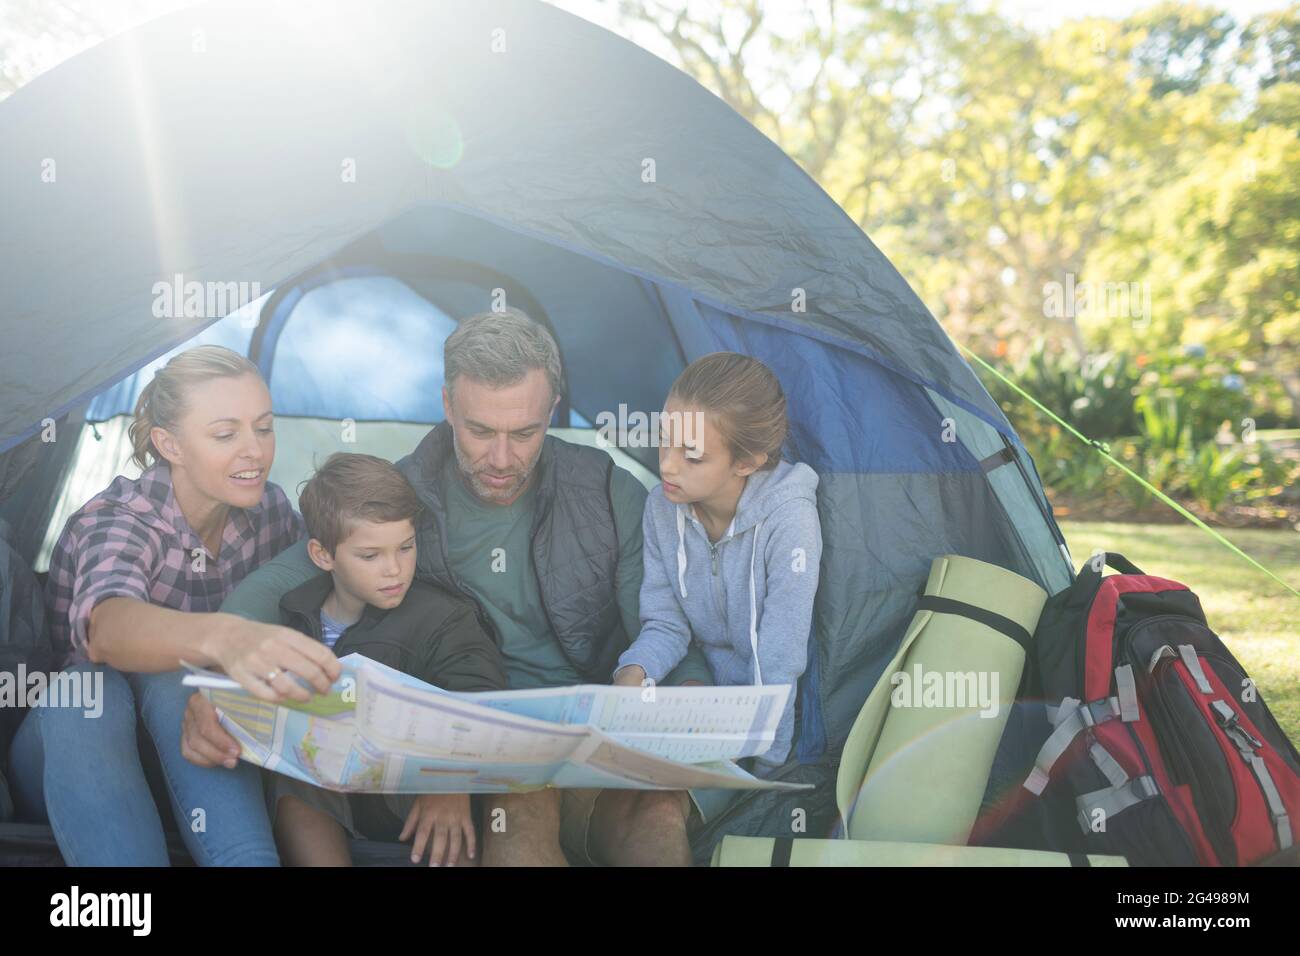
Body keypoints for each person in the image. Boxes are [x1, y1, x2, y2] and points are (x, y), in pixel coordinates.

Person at [182, 309, 712, 865]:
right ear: (447, 407)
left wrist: (689, 700)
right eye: (480, 431)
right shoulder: (402, 496)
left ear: (552, 410)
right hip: (481, 745)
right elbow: (271, 589)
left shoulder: (605, 491)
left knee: (657, 813)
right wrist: (214, 678)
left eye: (525, 432)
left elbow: (663, 630)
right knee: (524, 809)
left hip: (591, 742)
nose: (503, 459)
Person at [7, 345, 340, 866]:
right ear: (170, 444)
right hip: (75, 759)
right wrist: (225, 637)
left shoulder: (272, 515)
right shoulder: (119, 521)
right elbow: (107, 628)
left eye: (264, 427)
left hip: (196, 757)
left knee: (181, 683)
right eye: (226, 434)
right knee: (86, 690)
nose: (254, 450)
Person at [268, 452, 506, 867]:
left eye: (406, 547)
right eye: (370, 555)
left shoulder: (443, 617)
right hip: (329, 794)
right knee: (292, 763)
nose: (394, 569)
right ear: (323, 556)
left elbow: (481, 698)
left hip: (415, 789)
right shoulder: (294, 616)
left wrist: (448, 785)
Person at [613, 353, 822, 797]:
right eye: (664, 440)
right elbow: (667, 624)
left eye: (691, 456)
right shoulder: (661, 508)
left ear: (745, 462)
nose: (667, 465)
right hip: (694, 696)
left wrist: (765, 769)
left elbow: (780, 656)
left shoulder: (790, 522)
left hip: (767, 724)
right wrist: (633, 670)